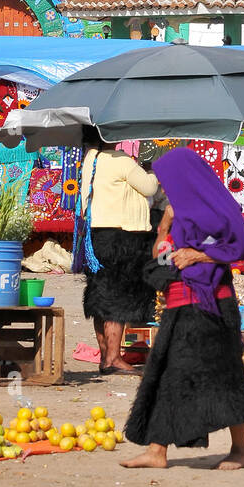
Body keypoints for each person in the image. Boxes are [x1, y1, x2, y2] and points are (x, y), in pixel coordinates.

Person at [122, 148, 244, 470]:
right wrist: (164, 230)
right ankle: (157, 450)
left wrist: (199, 256)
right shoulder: (179, 214)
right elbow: (163, 259)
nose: (165, 189)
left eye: (167, 182)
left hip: (211, 305)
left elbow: (241, 247)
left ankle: (240, 449)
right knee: (169, 373)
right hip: (180, 303)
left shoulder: (218, 210)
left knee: (222, 375)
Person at [80, 130, 160, 375]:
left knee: (100, 295)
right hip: (122, 238)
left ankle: (106, 355)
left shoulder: (90, 160)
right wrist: (153, 170)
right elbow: (149, 187)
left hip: (96, 237)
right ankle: (113, 358)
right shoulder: (121, 161)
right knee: (119, 296)